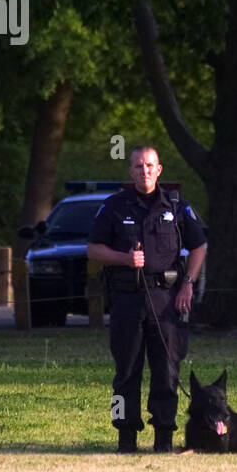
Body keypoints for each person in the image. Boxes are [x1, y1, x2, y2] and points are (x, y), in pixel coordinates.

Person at [87, 146, 206, 453]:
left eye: (150, 166)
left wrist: (188, 285)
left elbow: (199, 247)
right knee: (125, 372)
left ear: (159, 169)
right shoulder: (114, 206)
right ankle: (125, 436)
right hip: (127, 299)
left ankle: (163, 437)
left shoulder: (177, 206)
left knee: (167, 370)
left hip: (166, 299)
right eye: (138, 166)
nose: (145, 171)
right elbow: (94, 249)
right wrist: (123, 259)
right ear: (131, 171)